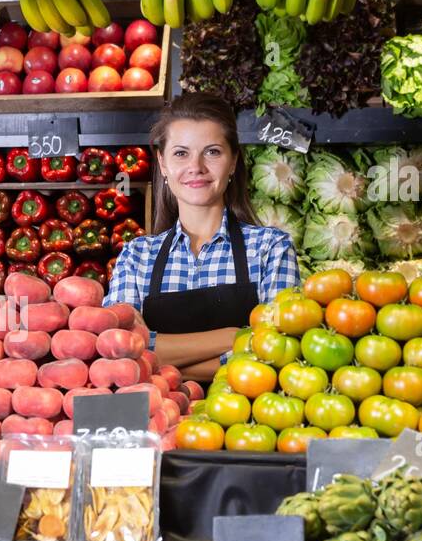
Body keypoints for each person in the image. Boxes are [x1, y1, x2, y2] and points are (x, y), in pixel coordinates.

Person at [105, 92, 300, 384]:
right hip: (159, 420)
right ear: (163, 164)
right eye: (181, 153)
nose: (196, 166)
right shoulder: (136, 256)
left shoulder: (271, 248)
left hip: (246, 424)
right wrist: (234, 336)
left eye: (212, 152)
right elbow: (119, 350)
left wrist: (155, 358)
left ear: (233, 161)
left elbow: (277, 353)